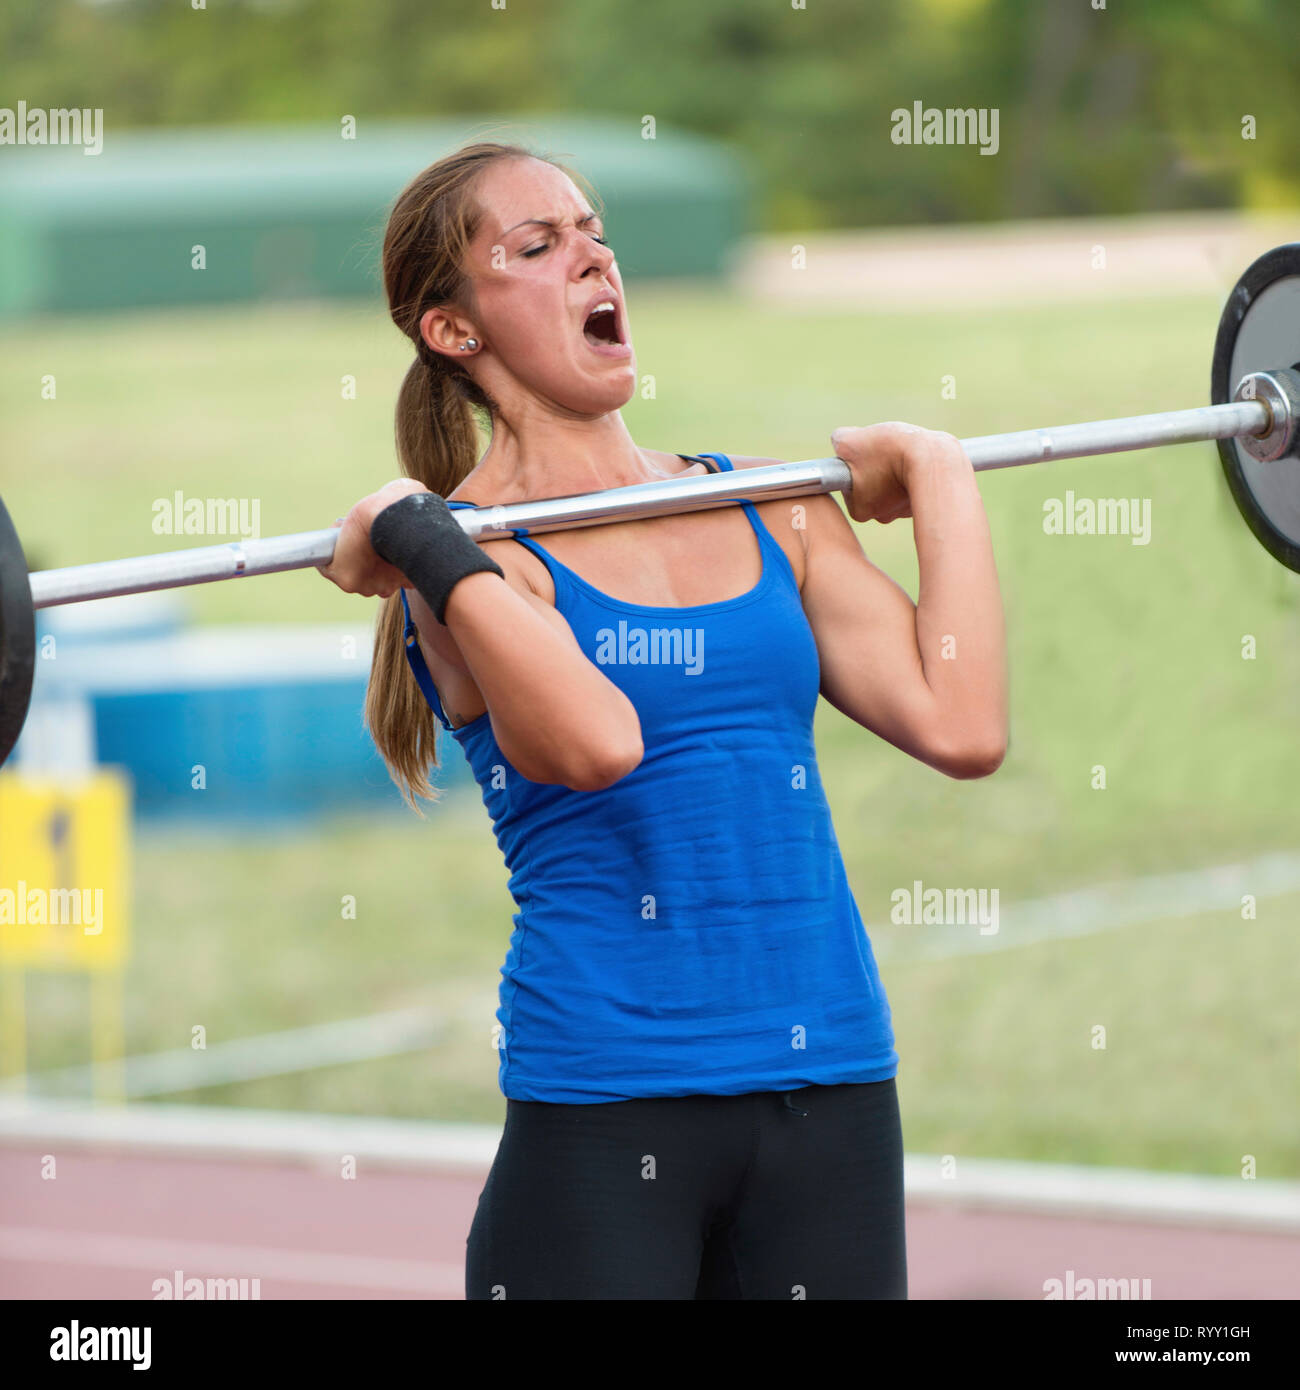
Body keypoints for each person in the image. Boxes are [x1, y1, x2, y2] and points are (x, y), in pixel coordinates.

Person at [318, 140, 1007, 1300]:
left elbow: (961, 723)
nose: (591, 256)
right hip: (606, 1103)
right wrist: (421, 534)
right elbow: (595, 743)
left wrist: (938, 478)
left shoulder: (768, 507)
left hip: (829, 1080)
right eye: (537, 247)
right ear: (454, 330)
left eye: (593, 231)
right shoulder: (474, 563)